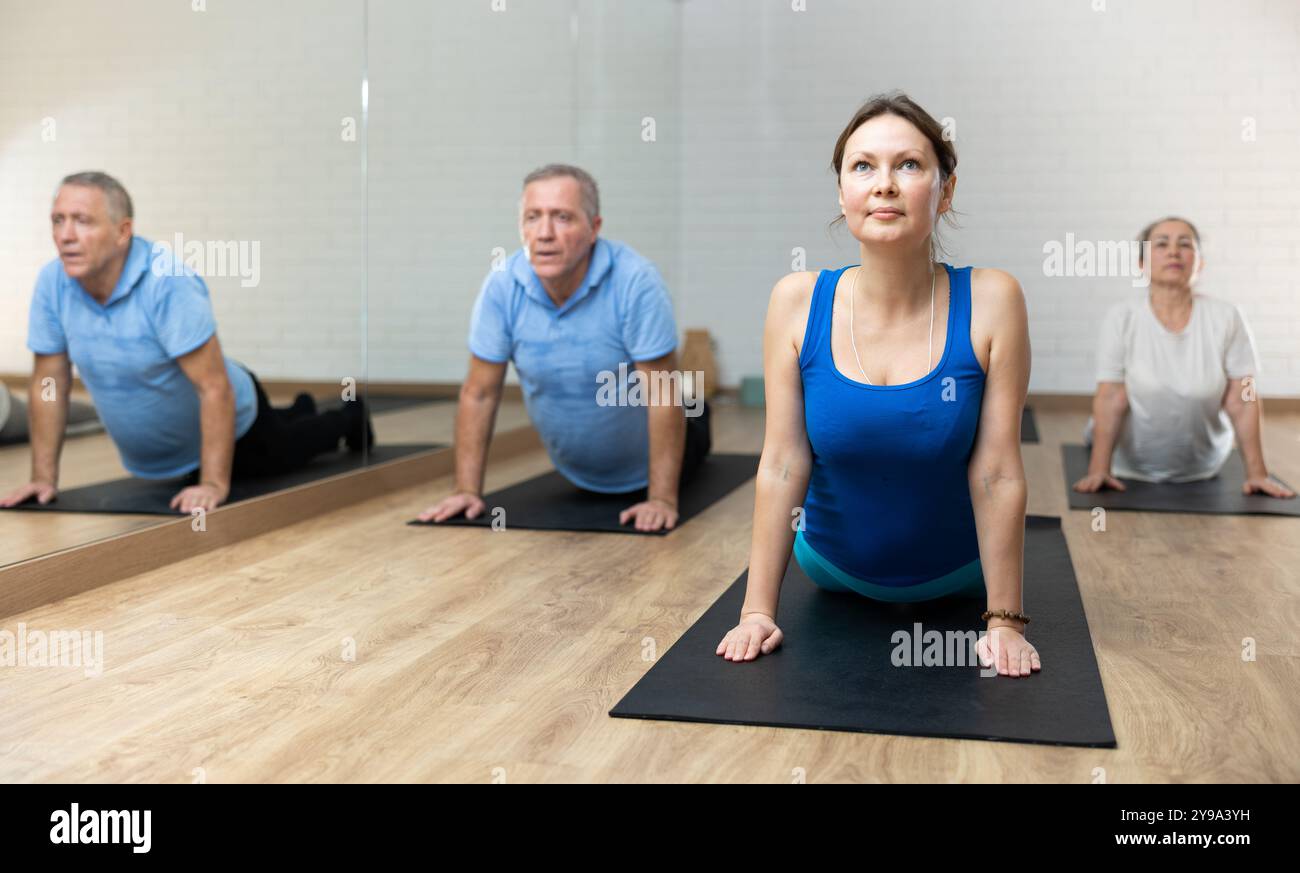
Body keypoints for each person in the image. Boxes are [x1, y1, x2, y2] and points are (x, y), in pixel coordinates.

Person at [715, 93, 1040, 678]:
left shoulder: (994, 299)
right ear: (842, 192)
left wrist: (1004, 621)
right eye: (862, 166)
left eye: (909, 165)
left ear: (945, 192)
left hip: (957, 577)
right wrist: (757, 611)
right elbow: (783, 463)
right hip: (832, 570)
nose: (884, 184)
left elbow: (997, 470)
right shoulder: (796, 300)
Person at [0, 171, 372, 515]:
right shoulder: (53, 283)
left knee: (291, 450)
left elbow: (213, 387)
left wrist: (212, 483)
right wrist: (42, 478)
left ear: (122, 230)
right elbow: (49, 383)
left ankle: (347, 416)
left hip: (237, 419)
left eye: (82, 221)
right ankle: (299, 406)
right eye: (58, 220)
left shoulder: (167, 282)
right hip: (180, 446)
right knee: (282, 426)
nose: (65, 235)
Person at [417, 164, 711, 533]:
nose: (544, 234)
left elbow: (662, 394)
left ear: (594, 229)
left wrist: (662, 499)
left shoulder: (636, 281)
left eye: (562, 217)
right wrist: (466, 489)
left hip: (665, 450)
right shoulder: (502, 286)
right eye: (532, 217)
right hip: (578, 471)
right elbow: (479, 393)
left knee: (692, 403)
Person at [1073, 216, 1293, 498]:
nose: (1174, 251)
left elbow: (1243, 397)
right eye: (1161, 244)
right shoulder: (1121, 317)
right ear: (1142, 264)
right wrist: (1098, 470)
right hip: (1130, 462)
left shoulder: (1227, 316)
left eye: (1185, 244)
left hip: (1204, 463)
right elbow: (1111, 396)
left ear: (1199, 263)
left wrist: (1258, 474)